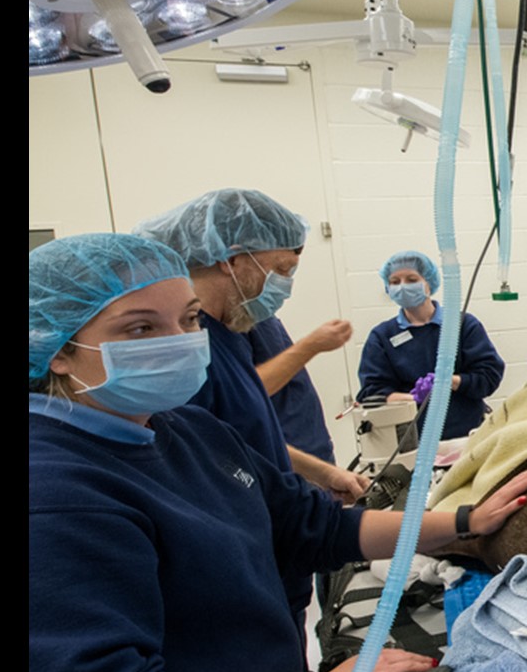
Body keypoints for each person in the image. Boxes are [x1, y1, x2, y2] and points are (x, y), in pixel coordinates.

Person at [29, 233, 527, 672]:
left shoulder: (181, 429)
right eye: (139, 328)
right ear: (54, 345)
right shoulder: (56, 492)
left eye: (189, 319)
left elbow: (310, 528)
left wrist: (464, 524)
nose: (179, 341)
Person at [133, 188, 368, 503]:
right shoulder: (191, 347)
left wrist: (323, 473)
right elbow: (208, 454)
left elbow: (247, 434)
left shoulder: (232, 333)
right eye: (281, 270)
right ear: (231, 260)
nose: (285, 283)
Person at [358, 250, 506, 441]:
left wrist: (449, 382)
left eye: (411, 279)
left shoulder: (461, 325)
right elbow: (372, 393)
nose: (403, 287)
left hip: (466, 435)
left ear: (429, 283)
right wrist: (414, 398)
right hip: (410, 440)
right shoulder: (382, 336)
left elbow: (489, 375)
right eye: (395, 282)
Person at [246, 316, 350, 468]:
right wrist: (311, 345)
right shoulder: (238, 325)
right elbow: (246, 391)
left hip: (315, 450)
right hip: (287, 462)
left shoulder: (267, 319)